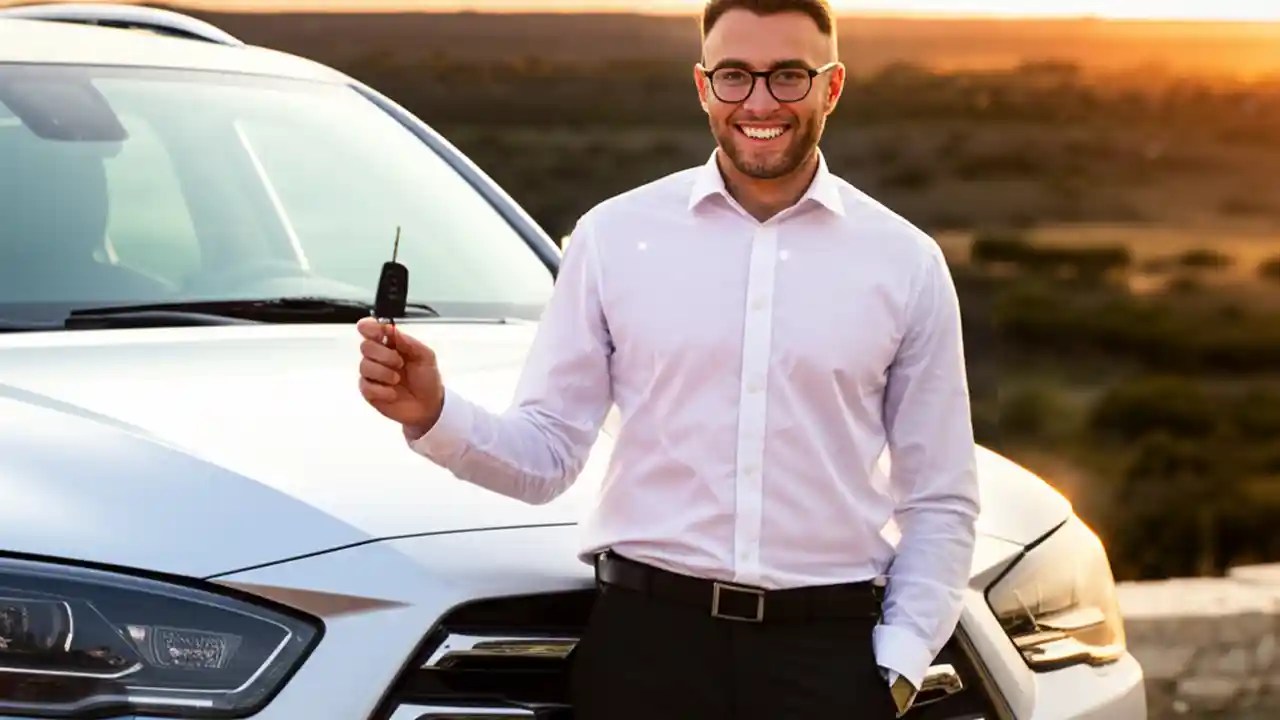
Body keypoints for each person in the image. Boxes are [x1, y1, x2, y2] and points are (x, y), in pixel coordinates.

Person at [355, 0, 979, 716]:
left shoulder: (905, 262)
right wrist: (433, 412)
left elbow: (939, 498)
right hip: (646, 655)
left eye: (788, 76)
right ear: (703, 85)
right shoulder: (613, 237)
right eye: (735, 76)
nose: (759, 102)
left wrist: (895, 668)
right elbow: (548, 456)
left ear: (831, 87)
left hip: (826, 660)